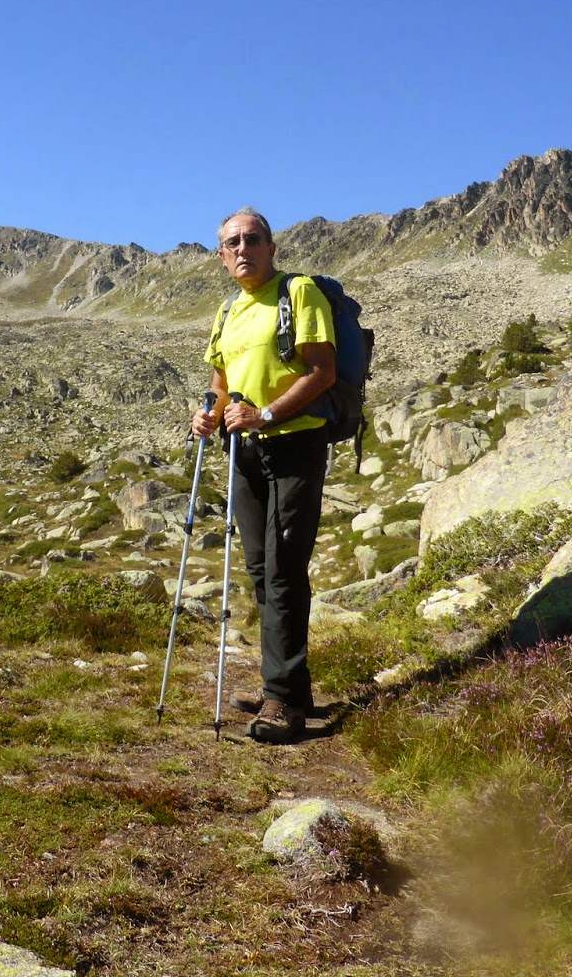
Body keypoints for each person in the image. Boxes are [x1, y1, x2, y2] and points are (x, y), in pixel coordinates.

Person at [190, 207, 335, 744]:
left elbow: (323, 373)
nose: (243, 248)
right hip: (244, 453)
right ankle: (290, 687)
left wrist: (266, 414)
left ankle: (282, 700)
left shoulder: (298, 295)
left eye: (253, 239)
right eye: (233, 242)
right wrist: (211, 411)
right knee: (259, 569)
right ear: (223, 256)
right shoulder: (228, 312)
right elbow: (221, 380)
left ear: (272, 248)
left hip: (294, 444)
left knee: (283, 570)